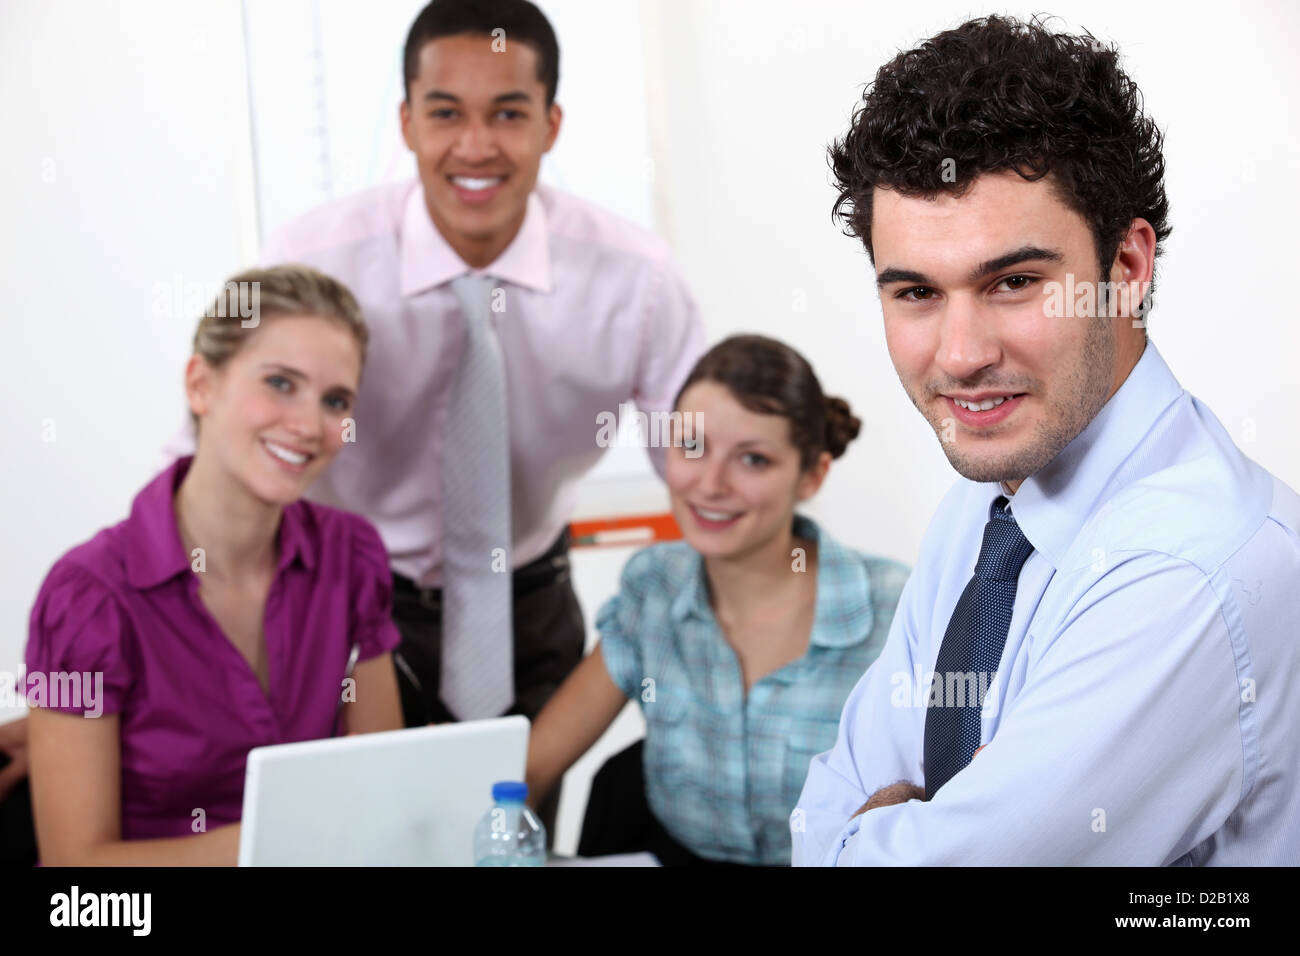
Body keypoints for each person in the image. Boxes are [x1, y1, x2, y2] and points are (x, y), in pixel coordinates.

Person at [163, 0, 706, 840]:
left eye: (509, 113)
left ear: (552, 124)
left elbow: (710, 473)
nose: (476, 146)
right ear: (407, 121)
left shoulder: (635, 280)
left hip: (530, 611)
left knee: (503, 848)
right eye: (446, 113)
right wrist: (84, 720)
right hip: (339, 612)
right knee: (352, 849)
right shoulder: (311, 258)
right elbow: (199, 468)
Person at [793, 15, 1300, 866]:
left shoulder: (1191, 570)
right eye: (916, 292)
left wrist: (892, 829)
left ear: (1128, 269)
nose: (960, 355)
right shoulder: (982, 515)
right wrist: (884, 833)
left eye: (1015, 281)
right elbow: (817, 821)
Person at [25, 266, 404, 865]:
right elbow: (75, 875)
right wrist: (285, 844)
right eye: (281, 383)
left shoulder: (351, 556)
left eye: (336, 401)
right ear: (201, 384)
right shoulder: (84, 597)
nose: (309, 425)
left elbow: (386, 794)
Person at [525, 335, 909, 865]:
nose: (710, 484)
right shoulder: (653, 588)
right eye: (691, 446)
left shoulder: (898, 611)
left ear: (812, 475)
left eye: (752, 459)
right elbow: (527, 771)